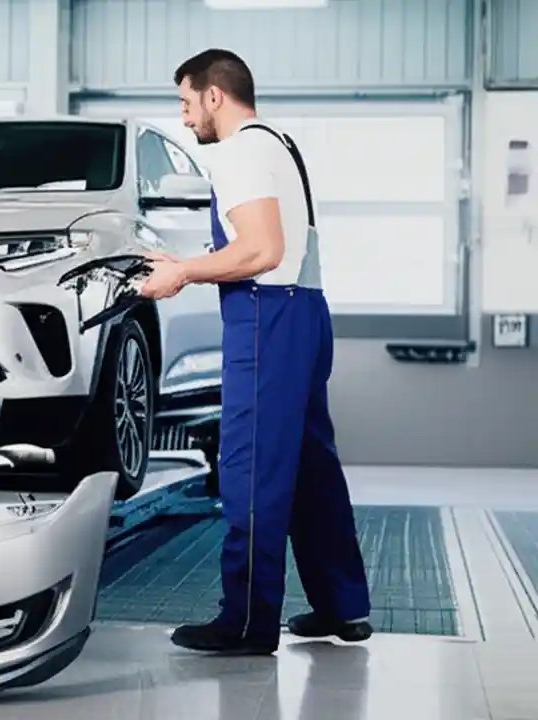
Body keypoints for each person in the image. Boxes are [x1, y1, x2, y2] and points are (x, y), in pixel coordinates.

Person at [136, 48, 372, 655]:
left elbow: (260, 250)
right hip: (305, 313)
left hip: (268, 314)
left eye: (187, 104)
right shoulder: (279, 143)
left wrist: (182, 272)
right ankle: (343, 607)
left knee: (250, 466)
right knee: (312, 467)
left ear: (215, 96)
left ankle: (245, 621)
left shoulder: (239, 152)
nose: (185, 119)